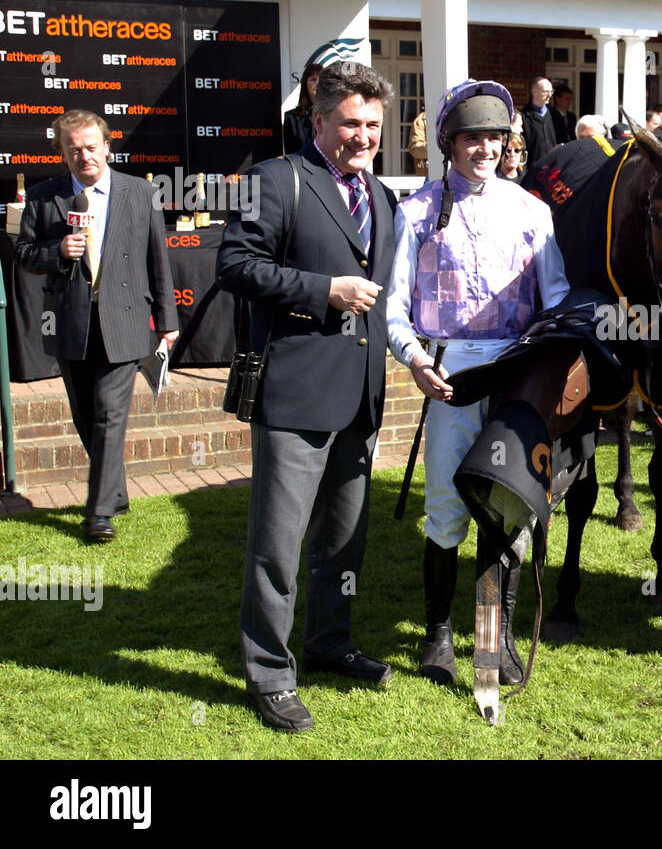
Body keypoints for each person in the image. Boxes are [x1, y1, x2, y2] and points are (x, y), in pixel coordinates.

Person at [216, 61, 398, 733]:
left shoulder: (382, 197)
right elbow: (235, 265)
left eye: (373, 125)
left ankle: (330, 641)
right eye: (350, 123)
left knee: (344, 541)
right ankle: (269, 671)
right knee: (278, 541)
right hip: (295, 392)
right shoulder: (275, 179)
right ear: (318, 121)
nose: (363, 136)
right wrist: (325, 290)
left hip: (360, 395)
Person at [387, 79, 569, 691]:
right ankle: (438, 635)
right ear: (449, 142)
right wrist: (414, 358)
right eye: (472, 137)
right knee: (445, 509)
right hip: (450, 377)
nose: (485, 148)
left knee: (507, 509)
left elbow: (559, 298)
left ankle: (496, 638)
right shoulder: (414, 212)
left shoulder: (532, 212)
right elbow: (392, 306)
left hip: (515, 374)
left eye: (495, 137)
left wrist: (545, 358)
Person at [15, 110, 179, 542]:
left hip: (124, 321)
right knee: (87, 416)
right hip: (71, 322)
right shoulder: (43, 197)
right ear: (62, 154)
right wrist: (56, 251)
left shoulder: (139, 193)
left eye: (91, 147)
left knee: (109, 412)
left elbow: (157, 260)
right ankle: (117, 492)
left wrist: (167, 321)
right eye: (74, 150)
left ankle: (99, 512)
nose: (84, 156)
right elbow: (25, 255)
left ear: (107, 146)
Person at [282, 61, 321, 156]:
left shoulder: (334, 114)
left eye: (321, 79)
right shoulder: (291, 117)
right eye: (313, 79)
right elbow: (290, 155)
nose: (318, 83)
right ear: (305, 83)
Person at [520, 75, 558, 167]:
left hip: (553, 169)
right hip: (533, 169)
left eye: (551, 91)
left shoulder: (555, 115)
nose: (549, 95)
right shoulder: (524, 117)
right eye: (545, 92)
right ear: (534, 92)